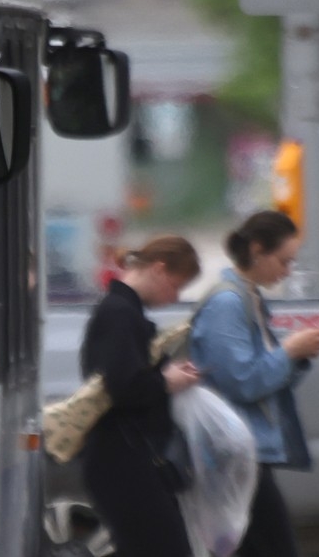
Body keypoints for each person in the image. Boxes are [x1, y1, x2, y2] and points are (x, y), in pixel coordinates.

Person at [189, 211, 319, 557]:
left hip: (246, 451)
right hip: (236, 452)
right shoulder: (228, 303)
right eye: (284, 261)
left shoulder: (249, 299)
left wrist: (297, 355)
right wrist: (290, 352)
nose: (287, 271)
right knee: (275, 546)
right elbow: (242, 381)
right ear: (257, 250)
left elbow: (260, 378)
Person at [79, 235, 203, 557]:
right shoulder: (119, 314)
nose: (174, 297)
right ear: (159, 269)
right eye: (175, 286)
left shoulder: (122, 311)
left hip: (124, 457)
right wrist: (166, 381)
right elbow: (123, 386)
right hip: (123, 459)